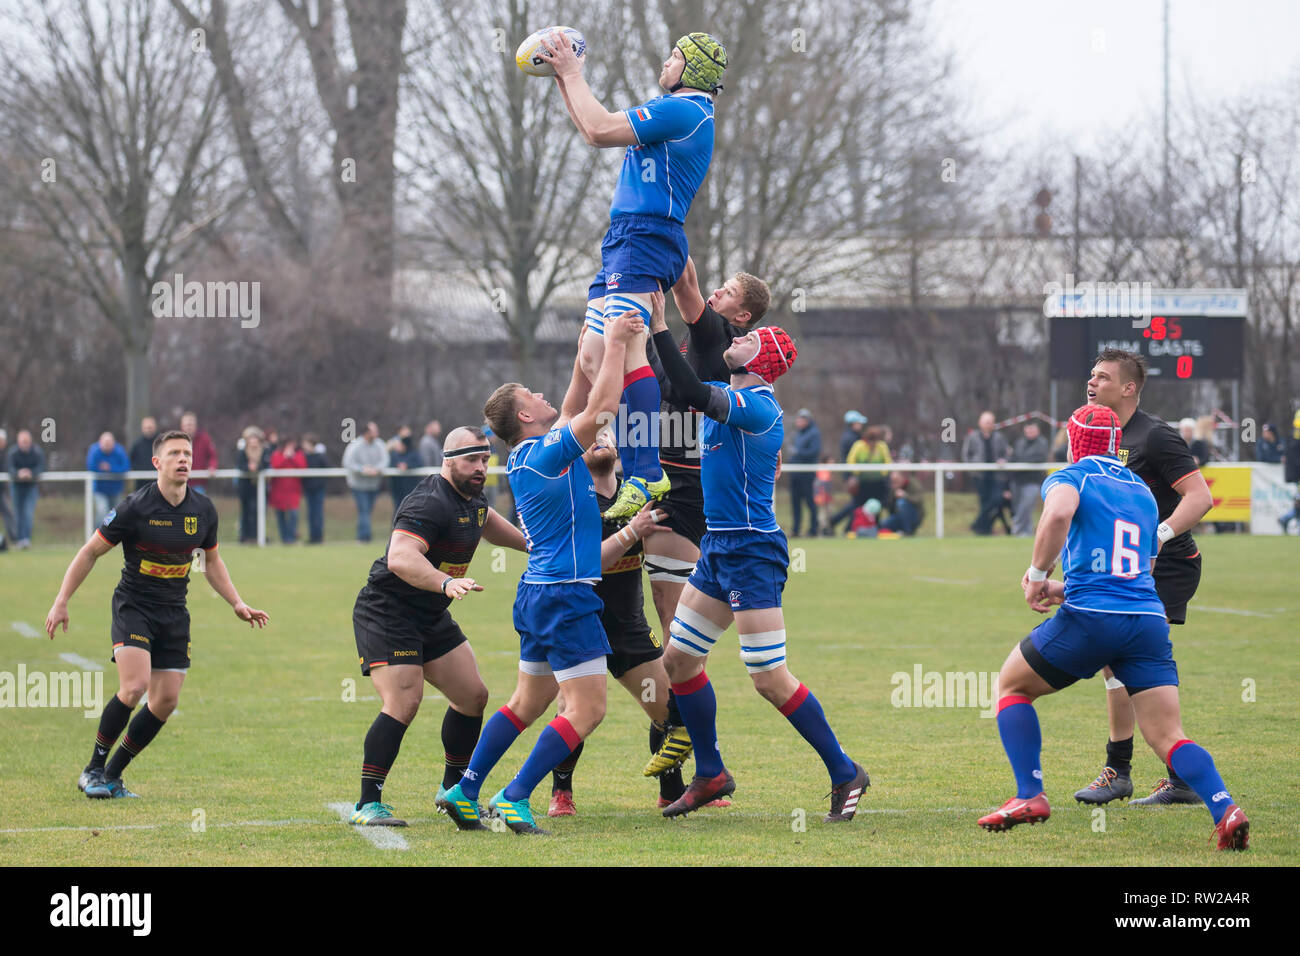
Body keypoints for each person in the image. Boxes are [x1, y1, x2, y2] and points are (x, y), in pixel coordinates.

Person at [978, 404, 1249, 851]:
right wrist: (1066, 589)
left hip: (1094, 619)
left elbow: (1059, 515)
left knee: (1011, 687)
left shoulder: (1073, 476)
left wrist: (1038, 574)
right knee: (1168, 735)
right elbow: (1136, 570)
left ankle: (1030, 795)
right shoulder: (1142, 490)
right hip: (1146, 618)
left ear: (1074, 440)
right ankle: (1226, 808)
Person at [648, 291, 869, 820]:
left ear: (763, 360)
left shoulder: (759, 405)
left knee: (769, 677)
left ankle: (845, 772)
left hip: (751, 550)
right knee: (678, 660)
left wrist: (660, 325)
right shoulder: (733, 397)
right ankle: (711, 772)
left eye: (746, 338)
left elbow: (688, 388)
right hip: (719, 546)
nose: (736, 338)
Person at [438, 309, 642, 835]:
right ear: (524, 416)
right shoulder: (545, 453)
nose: (541, 394)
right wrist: (617, 342)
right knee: (589, 709)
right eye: (531, 392)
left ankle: (464, 788)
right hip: (565, 597)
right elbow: (599, 410)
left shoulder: (536, 452)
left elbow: (575, 404)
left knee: (528, 702)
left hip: (538, 594)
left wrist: (585, 354)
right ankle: (515, 795)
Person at [537, 29, 727, 521]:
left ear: (690, 68)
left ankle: (643, 472)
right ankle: (624, 463)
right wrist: (562, 78)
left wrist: (573, 72)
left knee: (625, 349)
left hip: (645, 237)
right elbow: (590, 131)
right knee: (595, 351)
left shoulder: (684, 109)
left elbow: (599, 129)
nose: (665, 64)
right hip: (628, 237)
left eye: (673, 57)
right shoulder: (682, 112)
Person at [45, 429, 268, 799]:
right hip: (134, 607)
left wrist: (237, 602)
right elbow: (89, 553)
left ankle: (113, 774)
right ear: (156, 463)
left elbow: (211, 562)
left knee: (165, 700)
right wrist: (61, 600)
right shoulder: (135, 508)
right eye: (175, 453)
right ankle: (93, 769)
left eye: (188, 453)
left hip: (174, 613)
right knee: (134, 686)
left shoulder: (203, 509)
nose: (184, 459)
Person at [348, 427, 528, 827]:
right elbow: (400, 557)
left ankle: (454, 790)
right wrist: (446, 582)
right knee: (404, 701)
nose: (481, 468)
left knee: (472, 696)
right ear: (448, 460)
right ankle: (367, 803)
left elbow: (488, 520)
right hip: (388, 611)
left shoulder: (473, 495)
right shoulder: (429, 502)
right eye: (471, 461)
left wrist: (531, 544)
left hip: (429, 613)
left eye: (485, 460)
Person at [635, 255, 771, 774]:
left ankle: (689, 737)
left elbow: (686, 279)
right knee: (673, 629)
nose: (718, 291)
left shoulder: (713, 332)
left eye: (730, 290)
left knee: (686, 637)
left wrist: (659, 223)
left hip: (700, 498)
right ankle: (685, 741)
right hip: (671, 492)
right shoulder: (679, 340)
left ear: (743, 316)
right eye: (723, 285)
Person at [546, 427, 727, 816]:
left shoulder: (640, 496)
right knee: (573, 711)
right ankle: (561, 792)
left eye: (607, 434)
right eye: (591, 434)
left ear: (620, 447)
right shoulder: (571, 496)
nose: (600, 439)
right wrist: (632, 532)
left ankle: (671, 791)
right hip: (578, 624)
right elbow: (586, 564)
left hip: (628, 630)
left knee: (669, 711)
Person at [1072, 349, 1214, 807]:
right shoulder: (1094, 433)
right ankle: (1170, 776)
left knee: (1124, 661)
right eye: (1090, 375)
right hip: (1125, 566)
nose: (1091, 382)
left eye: (1103, 377)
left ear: (1129, 387)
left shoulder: (1155, 437)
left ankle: (1123, 771)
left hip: (1168, 565)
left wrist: (1156, 537)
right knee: (1124, 665)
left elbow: (1200, 497)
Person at [963, 411, 1010, 535]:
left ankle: (977, 524)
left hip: (996, 475)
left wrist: (1003, 460)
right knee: (984, 502)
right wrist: (972, 469)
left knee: (995, 499)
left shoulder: (999, 437)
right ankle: (984, 529)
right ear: (980, 423)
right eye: (986, 422)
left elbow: (1007, 453)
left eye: (990, 422)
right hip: (980, 475)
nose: (988, 424)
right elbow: (966, 455)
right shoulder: (972, 437)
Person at [342, 422, 388, 543]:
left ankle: (363, 535)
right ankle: (364, 537)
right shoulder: (355, 445)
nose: (377, 433)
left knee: (367, 511)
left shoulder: (380, 445)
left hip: (373, 484)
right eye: (374, 431)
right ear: (367, 433)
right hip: (358, 485)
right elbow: (348, 462)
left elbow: (385, 460)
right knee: (364, 510)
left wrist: (376, 469)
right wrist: (363, 469)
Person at [6, 428, 45, 549]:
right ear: (18, 442)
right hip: (17, 487)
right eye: (23, 441)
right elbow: (9, 468)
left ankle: (26, 540)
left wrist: (31, 473)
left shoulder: (37, 452)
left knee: (28, 513)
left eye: (27, 441)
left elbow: (42, 467)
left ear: (30, 441)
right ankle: (19, 540)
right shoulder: (12, 453)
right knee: (18, 514)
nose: (25, 443)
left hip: (31, 487)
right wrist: (19, 474)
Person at [1011, 422, 1050, 537]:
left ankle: (1018, 530)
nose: (1029, 432)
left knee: (1026, 506)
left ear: (1037, 431)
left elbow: (1039, 458)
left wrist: (1022, 460)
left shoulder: (1042, 443)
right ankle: (1025, 531)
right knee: (1018, 507)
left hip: (1033, 480)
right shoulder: (1020, 442)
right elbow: (1014, 457)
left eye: (1032, 430)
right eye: (1028, 430)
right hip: (1018, 480)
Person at [788, 409, 822, 537]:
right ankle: (795, 530)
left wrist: (798, 453)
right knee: (795, 503)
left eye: (801, 420)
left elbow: (814, 452)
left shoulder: (814, 433)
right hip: (795, 473)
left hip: (806, 474)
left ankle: (813, 529)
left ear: (807, 421)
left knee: (809, 502)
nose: (799, 422)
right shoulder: (798, 434)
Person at [87, 432, 131, 526]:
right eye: (105, 444)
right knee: (102, 511)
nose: (107, 446)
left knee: (114, 514)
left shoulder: (119, 451)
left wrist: (110, 468)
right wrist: (105, 470)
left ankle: (110, 536)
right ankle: (97, 534)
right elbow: (91, 467)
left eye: (109, 444)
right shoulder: (94, 450)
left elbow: (125, 467)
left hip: (116, 489)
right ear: (100, 443)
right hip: (100, 489)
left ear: (113, 443)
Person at [269, 437, 306, 544]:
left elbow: (303, 467)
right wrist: (285, 457)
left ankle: (291, 537)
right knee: (280, 514)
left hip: (294, 491)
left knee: (294, 514)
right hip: (279, 491)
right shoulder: (277, 454)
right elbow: (275, 466)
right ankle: (284, 537)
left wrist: (293, 457)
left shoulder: (299, 455)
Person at [235, 431, 270, 544]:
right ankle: (245, 537)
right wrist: (248, 467)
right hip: (245, 487)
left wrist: (257, 467)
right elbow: (240, 465)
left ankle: (258, 536)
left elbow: (266, 465)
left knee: (258, 511)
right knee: (245, 512)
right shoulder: (241, 452)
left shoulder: (265, 452)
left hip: (259, 487)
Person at [179, 411, 218, 495]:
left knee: (198, 506)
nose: (189, 427)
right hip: (179, 483)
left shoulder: (204, 438)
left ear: (195, 426)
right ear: (182, 426)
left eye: (191, 424)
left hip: (198, 484)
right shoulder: (176, 440)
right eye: (186, 425)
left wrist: (212, 467)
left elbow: (212, 456)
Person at [301, 434, 329, 544]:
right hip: (309, 489)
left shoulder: (320, 456)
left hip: (318, 489)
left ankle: (319, 537)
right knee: (311, 514)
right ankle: (312, 537)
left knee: (318, 513)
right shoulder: (304, 456)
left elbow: (327, 467)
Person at [388, 425, 422, 509]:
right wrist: (397, 466)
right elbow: (390, 465)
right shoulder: (394, 454)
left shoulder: (414, 453)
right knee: (397, 508)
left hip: (411, 487)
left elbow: (419, 463)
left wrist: (408, 466)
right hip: (397, 488)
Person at [880, 470, 925, 536]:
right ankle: (898, 532)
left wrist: (905, 495)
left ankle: (907, 532)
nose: (894, 483)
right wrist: (893, 494)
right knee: (883, 525)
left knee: (901, 502)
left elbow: (919, 499)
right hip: (898, 517)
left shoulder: (912, 483)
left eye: (896, 481)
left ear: (902, 478)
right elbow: (888, 505)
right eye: (892, 481)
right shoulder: (892, 488)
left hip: (914, 516)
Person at [129, 418, 158, 492]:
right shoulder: (137, 445)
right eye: (147, 427)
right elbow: (131, 460)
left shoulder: (161, 443)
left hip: (158, 482)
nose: (149, 429)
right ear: (142, 428)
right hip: (141, 484)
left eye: (150, 427)